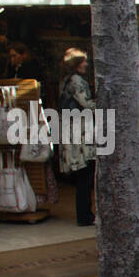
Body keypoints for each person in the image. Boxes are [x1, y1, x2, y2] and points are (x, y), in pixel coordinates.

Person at [58, 47, 97, 226]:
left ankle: (84, 213)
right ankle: (85, 215)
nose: (86, 64)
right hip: (81, 133)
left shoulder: (65, 80)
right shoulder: (77, 81)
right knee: (86, 176)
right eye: (83, 61)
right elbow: (86, 104)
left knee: (83, 176)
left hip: (72, 130)